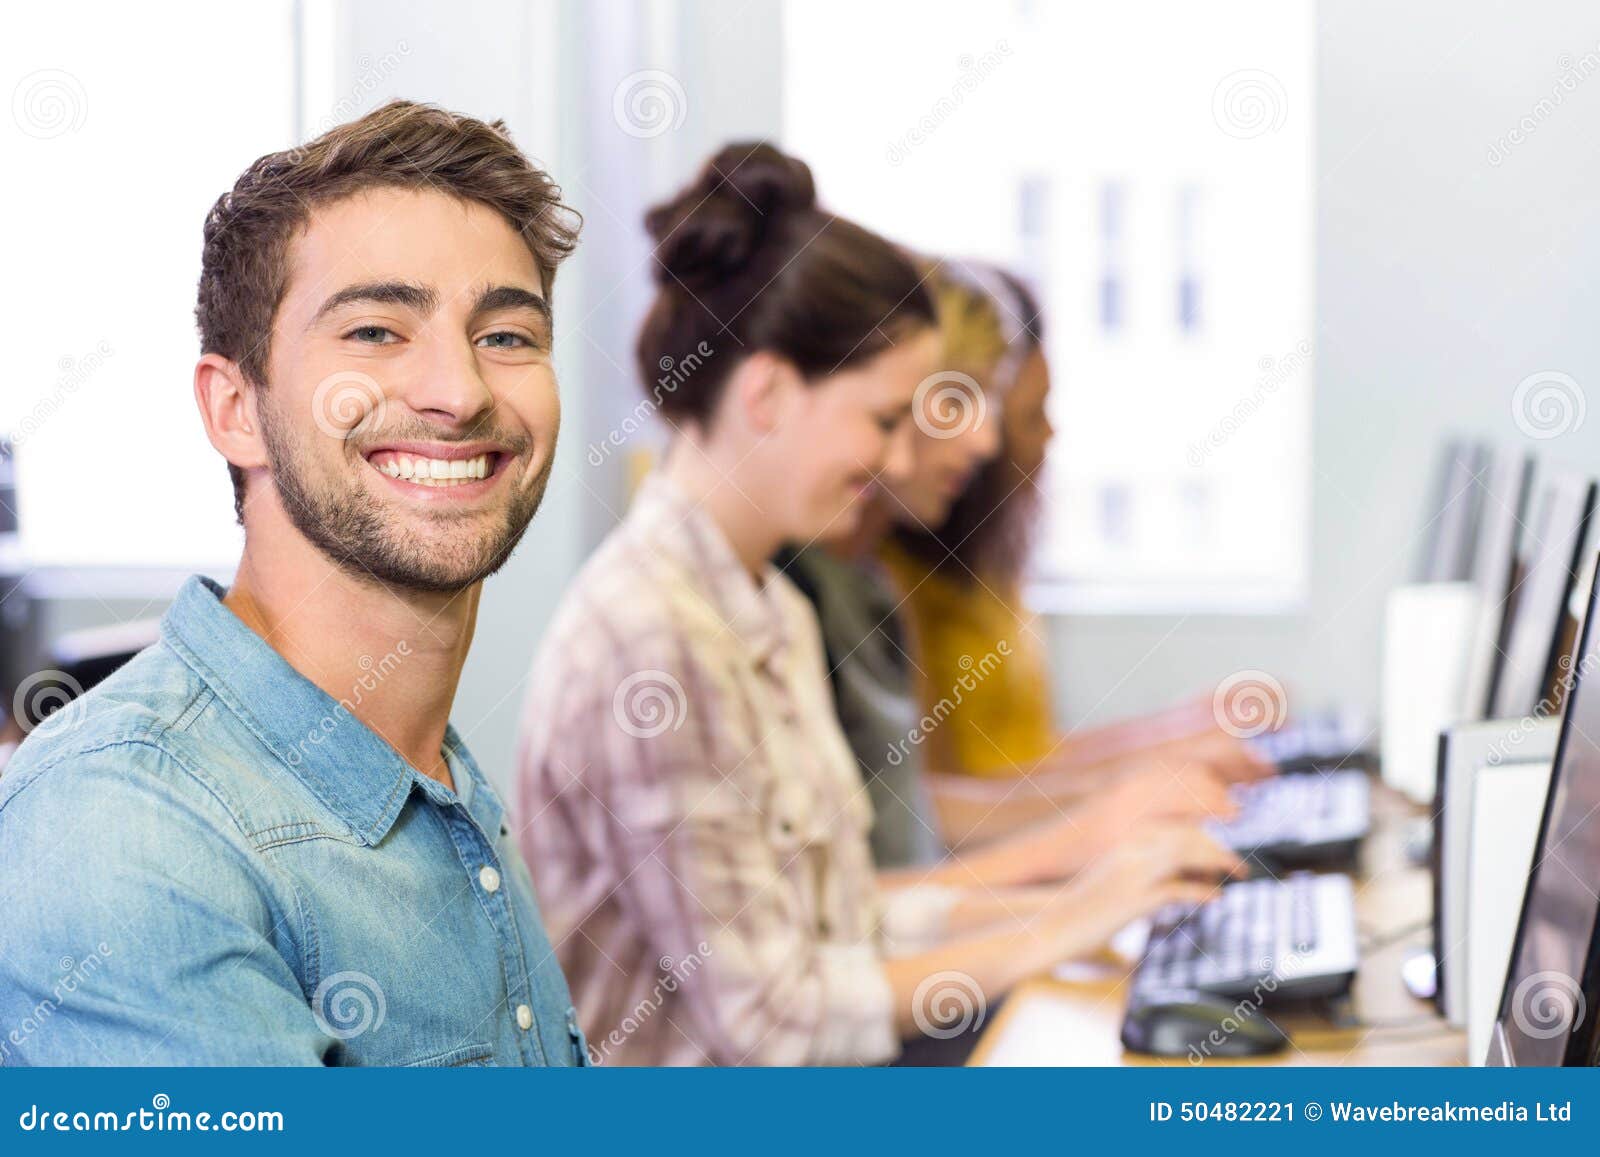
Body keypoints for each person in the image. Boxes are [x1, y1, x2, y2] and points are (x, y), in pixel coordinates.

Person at [515, 144, 1242, 1067]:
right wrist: (1066, 918)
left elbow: (849, 918)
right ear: (769, 393)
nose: (901, 460)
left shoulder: (768, 608)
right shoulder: (648, 637)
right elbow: (771, 1019)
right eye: (885, 420)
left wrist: (1095, 897)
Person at [0, 101, 588, 1066]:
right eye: (375, 330)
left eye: (507, 337)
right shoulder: (122, 823)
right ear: (235, 409)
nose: (460, 390)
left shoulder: (432, 774)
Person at [784, 261, 1246, 858]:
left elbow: (919, 817)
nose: (989, 441)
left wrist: (1161, 755)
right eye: (960, 402)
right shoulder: (833, 589)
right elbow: (936, 813)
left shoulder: (872, 587)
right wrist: (1116, 804)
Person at [878, 262, 1272, 789]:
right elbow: (950, 799)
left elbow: (1030, 753)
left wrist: (1177, 733)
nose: (988, 441)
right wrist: (1152, 769)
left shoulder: (987, 571)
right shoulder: (894, 581)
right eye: (1029, 416)